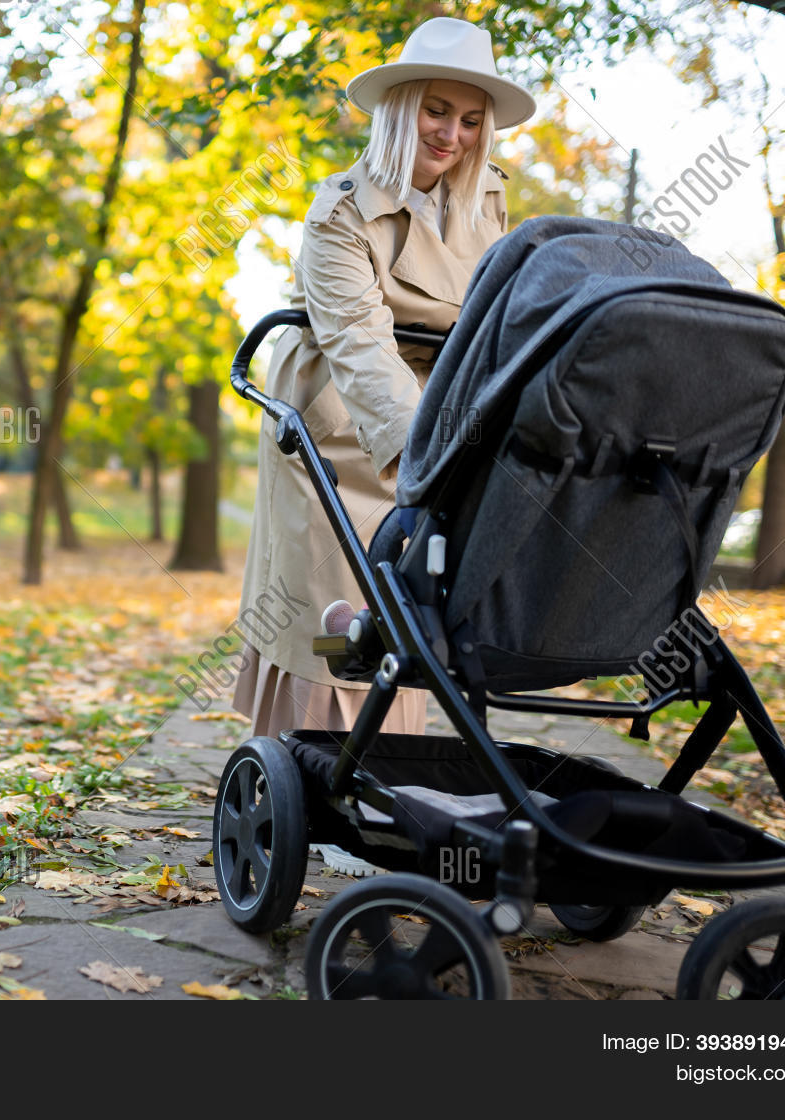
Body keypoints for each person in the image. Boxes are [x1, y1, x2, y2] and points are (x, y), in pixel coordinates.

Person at [231, 18, 537, 868]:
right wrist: (422, 462)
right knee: (339, 615)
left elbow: (495, 325)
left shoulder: (491, 202)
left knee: (410, 613)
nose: (452, 133)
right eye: (437, 110)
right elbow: (361, 347)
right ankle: (306, 793)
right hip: (340, 426)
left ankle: (381, 784)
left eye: (470, 119)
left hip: (438, 417)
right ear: (402, 110)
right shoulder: (339, 212)